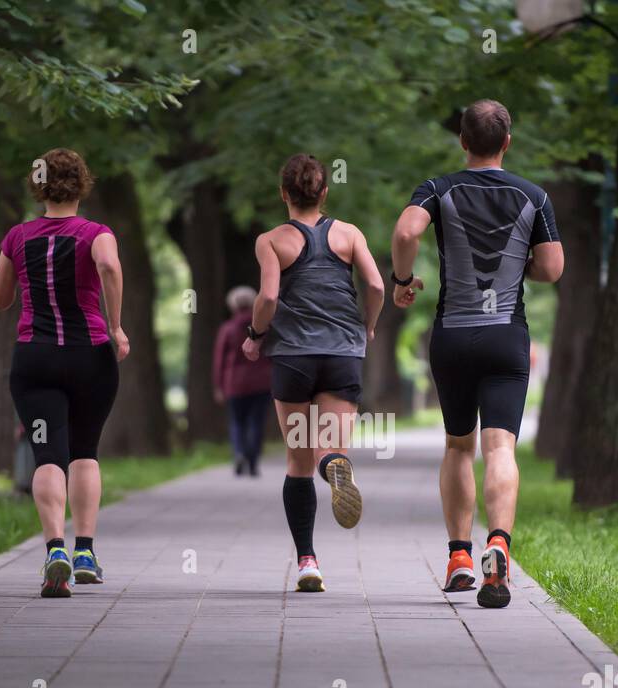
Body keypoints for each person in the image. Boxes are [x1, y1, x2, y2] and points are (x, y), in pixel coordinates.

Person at [390, 100, 564, 608]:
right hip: (506, 336)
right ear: (507, 142)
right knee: (500, 449)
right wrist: (520, 268)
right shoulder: (535, 196)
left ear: (462, 141)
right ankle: (499, 546)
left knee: (458, 447)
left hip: (453, 335)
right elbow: (553, 268)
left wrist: (403, 281)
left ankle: (460, 558)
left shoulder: (437, 188)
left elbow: (405, 233)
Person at [242, 154, 385, 592]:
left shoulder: (271, 240)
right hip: (342, 351)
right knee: (331, 448)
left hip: (292, 356)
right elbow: (377, 286)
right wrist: (368, 325)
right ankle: (334, 464)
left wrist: (254, 334)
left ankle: (307, 562)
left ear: (283, 193)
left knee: (296, 460)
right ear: (324, 192)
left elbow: (268, 297)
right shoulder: (348, 234)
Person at [0, 147, 130, 598]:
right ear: (82, 183)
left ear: (39, 185)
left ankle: (55, 548)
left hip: (36, 357)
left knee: (47, 454)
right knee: (84, 452)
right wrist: (117, 326)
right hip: (90, 354)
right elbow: (109, 264)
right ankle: (86, 550)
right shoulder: (96, 233)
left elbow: (0, 299)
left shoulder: (17, 236)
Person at [213, 286, 273, 476]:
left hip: (235, 384)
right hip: (262, 382)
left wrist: (218, 386)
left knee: (237, 422)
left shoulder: (227, 329)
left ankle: (239, 453)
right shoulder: (264, 328)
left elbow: (219, 360)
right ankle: (253, 461)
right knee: (257, 422)